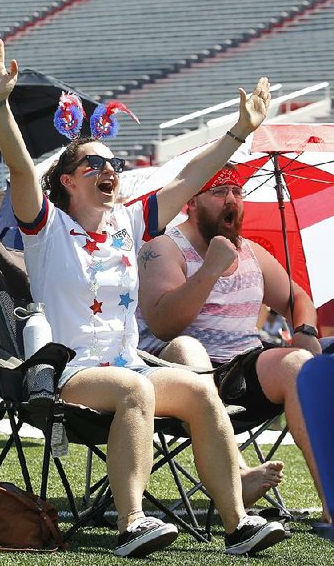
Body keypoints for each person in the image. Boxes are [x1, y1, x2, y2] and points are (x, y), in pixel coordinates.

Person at [0, 38, 284, 557]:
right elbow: (22, 170)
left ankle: (238, 524)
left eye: (113, 162)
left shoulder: (127, 224)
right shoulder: (46, 229)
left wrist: (239, 132)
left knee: (201, 392)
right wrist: (0, 104)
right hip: (68, 371)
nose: (109, 169)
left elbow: (188, 178)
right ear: (67, 181)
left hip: (128, 363)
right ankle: (132, 523)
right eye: (94, 165)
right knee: (136, 393)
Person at [136, 162, 329, 524]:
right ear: (191, 203)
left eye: (237, 193)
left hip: (240, 371)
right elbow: (164, 325)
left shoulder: (251, 253)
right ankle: (235, 474)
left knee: (299, 365)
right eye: (219, 192)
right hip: (175, 375)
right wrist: (210, 269)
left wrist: (306, 330)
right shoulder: (163, 249)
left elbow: (297, 298)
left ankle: (332, 505)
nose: (232, 200)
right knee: (186, 348)